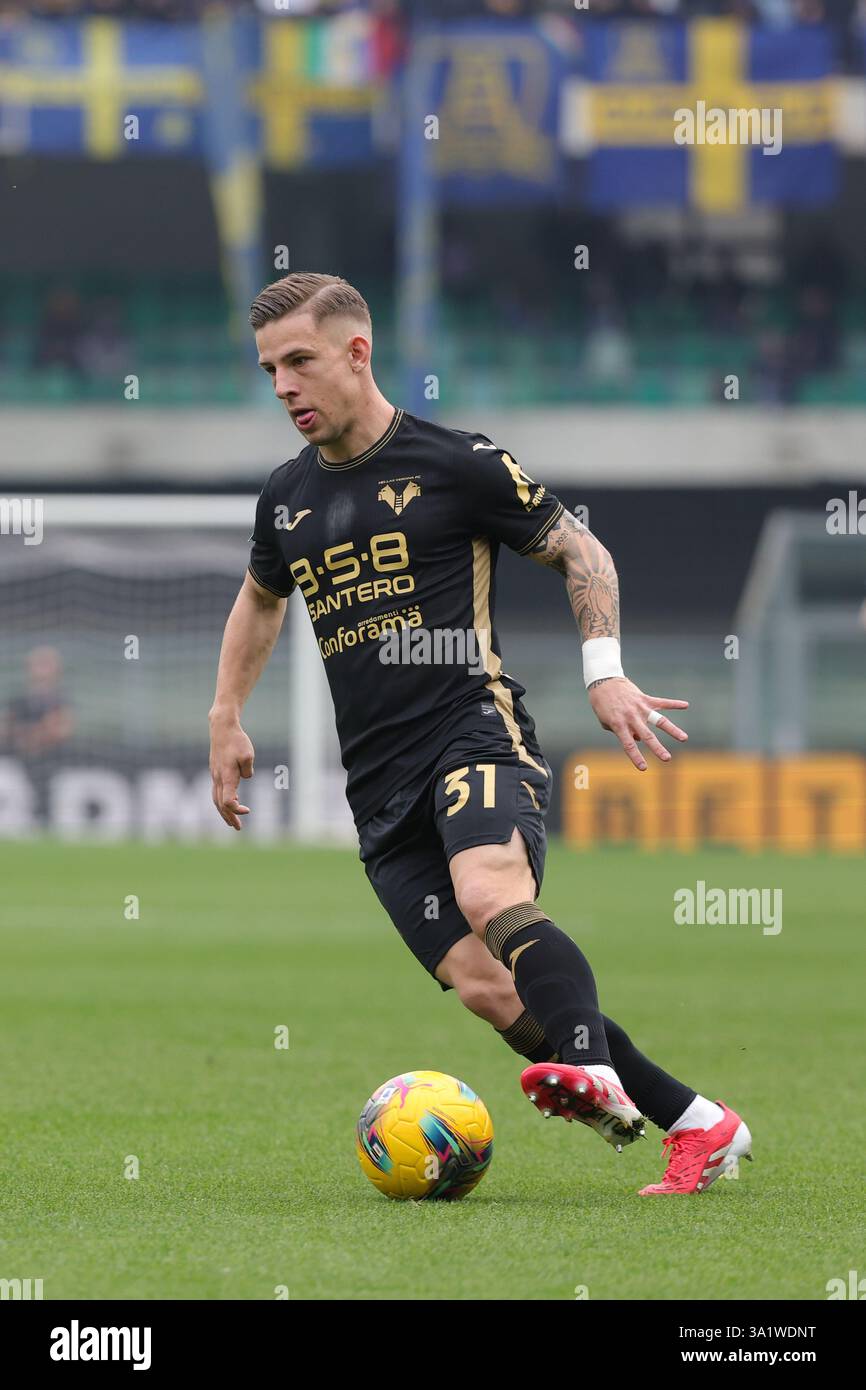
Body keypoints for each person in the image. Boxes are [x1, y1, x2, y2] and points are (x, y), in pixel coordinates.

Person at [208, 272, 752, 1195]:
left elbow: (582, 549)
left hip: (474, 728)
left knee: (488, 890)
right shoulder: (287, 498)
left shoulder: (455, 462)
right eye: (268, 370)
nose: (283, 387)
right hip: (377, 786)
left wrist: (604, 671)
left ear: (356, 352)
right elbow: (260, 600)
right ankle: (702, 1124)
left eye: (298, 361)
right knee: (490, 988)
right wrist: (225, 716)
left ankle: (593, 1069)